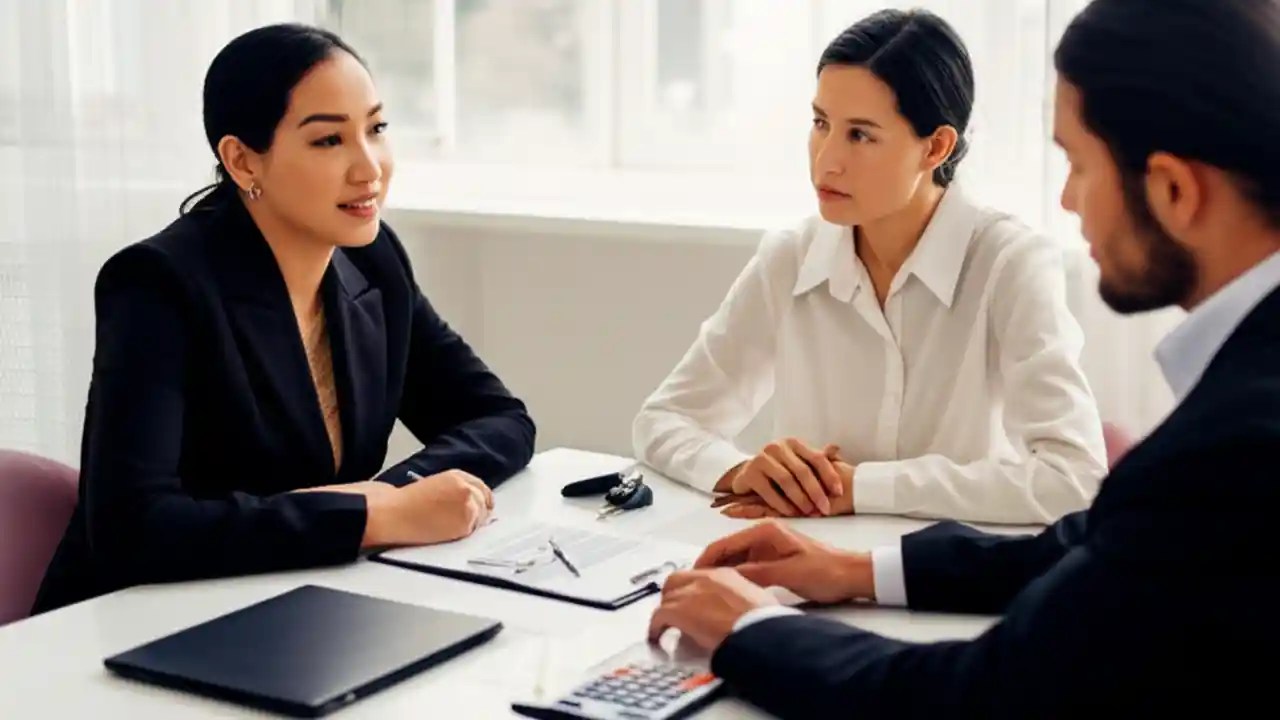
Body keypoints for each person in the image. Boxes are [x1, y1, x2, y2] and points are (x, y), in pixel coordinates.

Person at [646, 0, 1280, 715]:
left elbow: (989, 693)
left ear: (1173, 189)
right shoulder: (1233, 413)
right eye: (821, 123)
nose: (1067, 201)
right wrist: (856, 568)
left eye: (1076, 164)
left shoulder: (1231, 446)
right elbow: (1082, 541)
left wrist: (753, 628)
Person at [33, 24, 536, 614]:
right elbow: (135, 530)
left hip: (294, 606)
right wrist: (372, 516)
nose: (368, 168)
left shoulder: (373, 260)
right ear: (243, 159)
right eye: (329, 141)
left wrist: (390, 498)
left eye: (375, 129)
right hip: (136, 623)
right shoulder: (157, 284)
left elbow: (500, 419)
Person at [632, 9, 1106, 526]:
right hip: (793, 567)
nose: (825, 161)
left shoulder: (1009, 265)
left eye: (860, 135)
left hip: (940, 586)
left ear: (936, 147)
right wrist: (740, 469)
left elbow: (1074, 479)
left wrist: (862, 486)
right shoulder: (790, 258)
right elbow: (664, 419)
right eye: (820, 124)